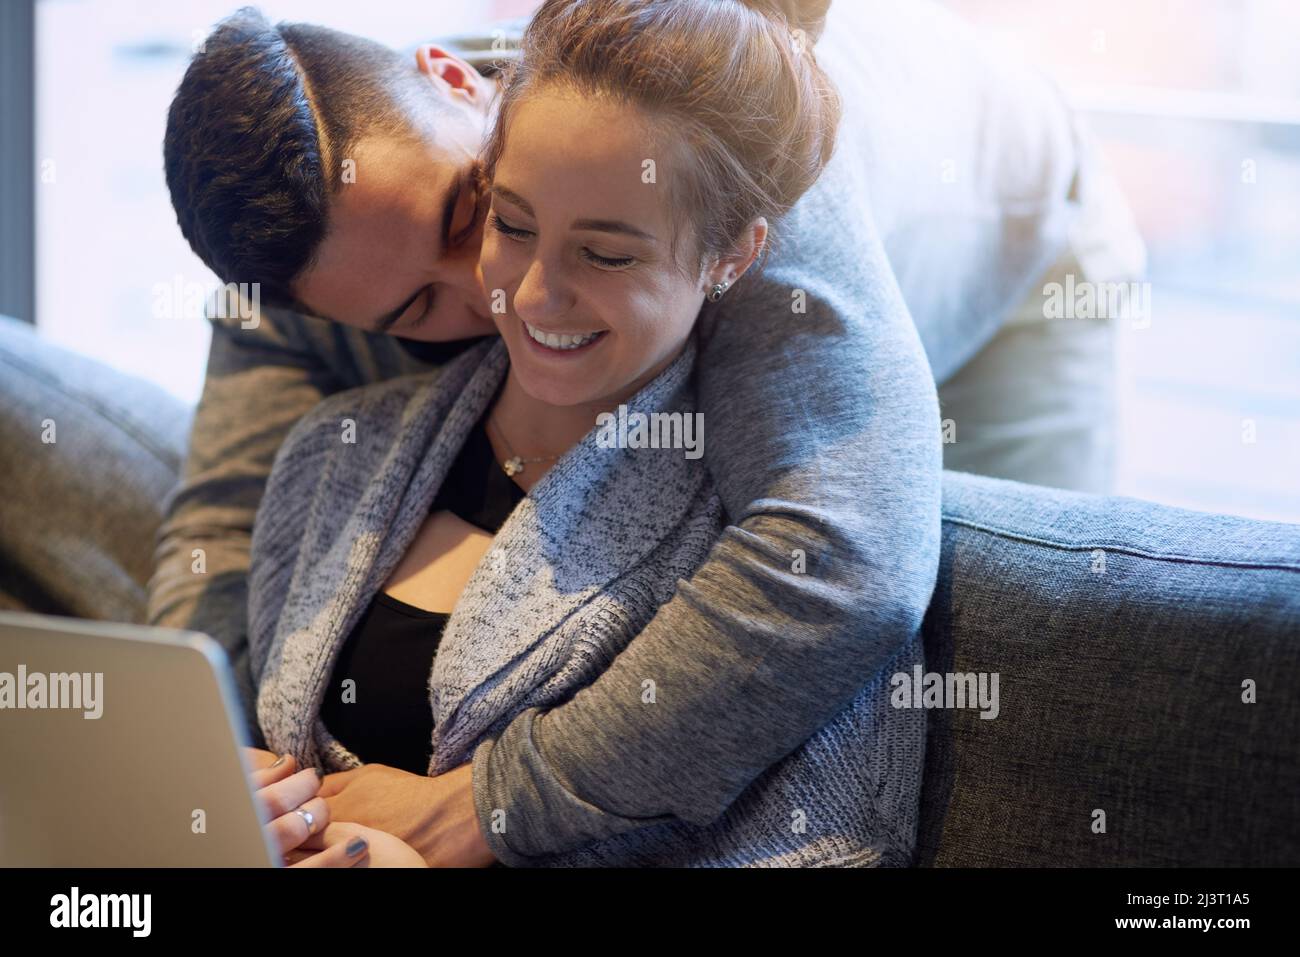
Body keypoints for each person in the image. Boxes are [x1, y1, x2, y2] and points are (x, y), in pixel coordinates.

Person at [0, 0, 1140, 865]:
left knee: (984, 645)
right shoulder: (285, 286)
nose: (510, 298)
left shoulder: (725, 197)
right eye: (416, 314)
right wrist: (222, 768)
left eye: (472, 216)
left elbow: (848, 563)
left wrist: (493, 802)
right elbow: (221, 525)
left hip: (1015, 237)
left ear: (457, 83)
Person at [250, 0, 924, 867]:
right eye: (511, 223)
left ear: (734, 258)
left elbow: (859, 589)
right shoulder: (331, 452)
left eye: (606, 255)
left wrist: (479, 815)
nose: (524, 298)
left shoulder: (782, 517)